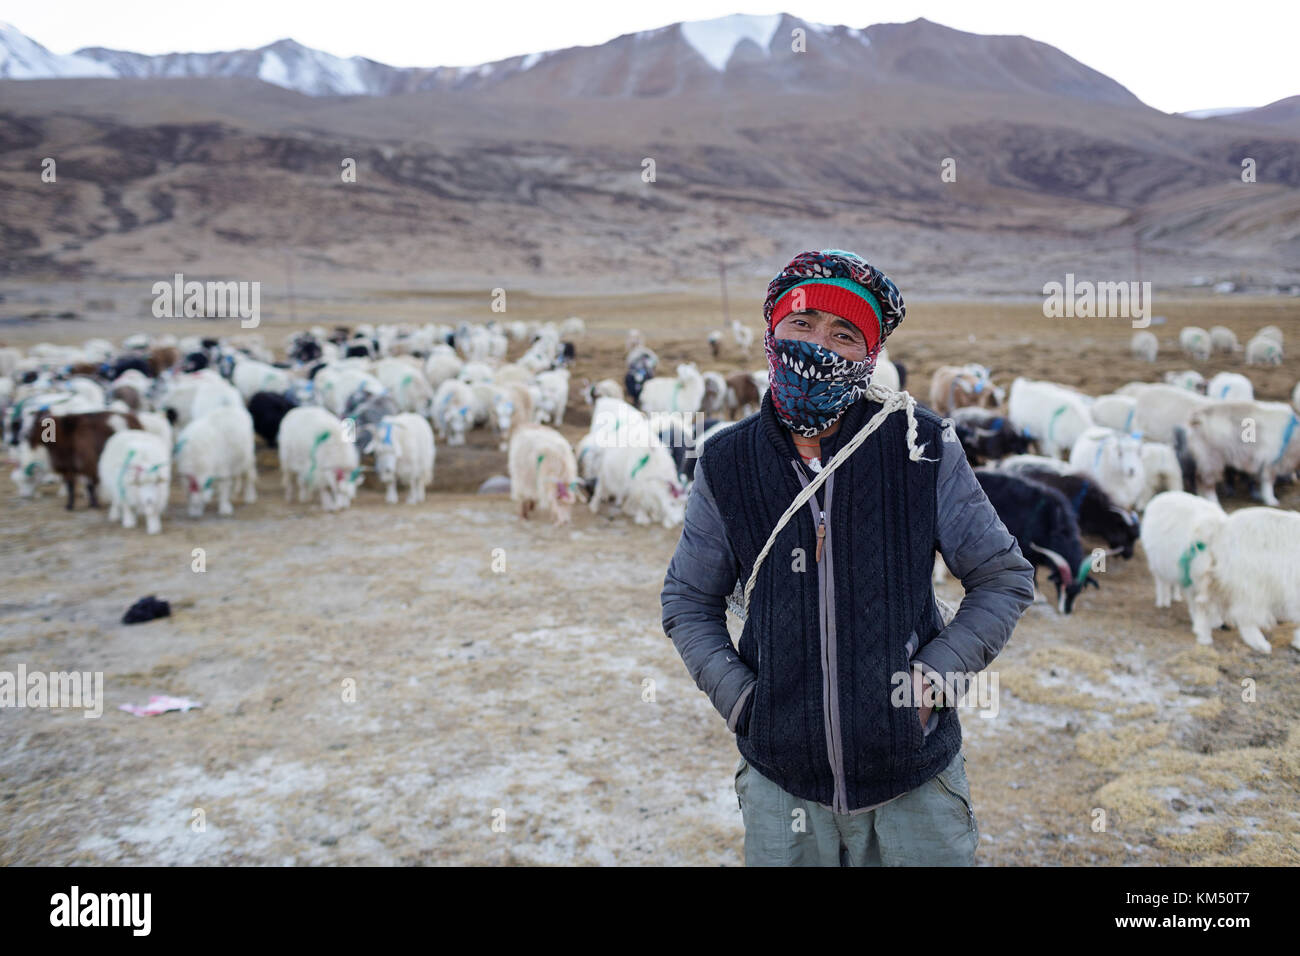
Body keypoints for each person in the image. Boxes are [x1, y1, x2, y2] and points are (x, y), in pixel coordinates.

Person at [660, 249, 1035, 866]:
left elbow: (1001, 577)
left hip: (912, 775)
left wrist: (935, 678)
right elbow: (688, 601)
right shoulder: (727, 462)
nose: (819, 346)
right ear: (772, 333)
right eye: (802, 325)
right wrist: (745, 702)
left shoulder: (920, 446)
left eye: (845, 334)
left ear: (870, 355)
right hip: (784, 782)